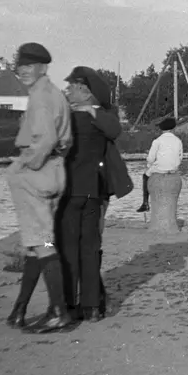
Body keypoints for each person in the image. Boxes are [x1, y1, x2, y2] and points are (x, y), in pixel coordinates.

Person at [4, 43, 77, 334]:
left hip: (38, 172)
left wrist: (26, 165)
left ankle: (59, 312)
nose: (23, 70)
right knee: (36, 244)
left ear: (43, 68)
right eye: (20, 65)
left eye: (29, 65)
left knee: (43, 245)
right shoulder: (54, 93)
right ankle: (19, 310)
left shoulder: (41, 97)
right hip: (55, 170)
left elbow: (45, 140)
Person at [58, 67, 123, 322]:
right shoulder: (93, 117)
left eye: (72, 87)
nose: (68, 91)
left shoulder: (83, 117)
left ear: (85, 91)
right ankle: (93, 305)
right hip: (93, 191)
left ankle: (75, 304)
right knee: (90, 246)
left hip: (79, 191)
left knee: (75, 248)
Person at [137, 118, 183, 213]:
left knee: (145, 176)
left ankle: (145, 203)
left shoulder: (157, 141)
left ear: (161, 129)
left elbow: (150, 158)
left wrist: (149, 165)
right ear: (173, 128)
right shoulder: (178, 141)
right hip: (174, 170)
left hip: (160, 169)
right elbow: (180, 157)